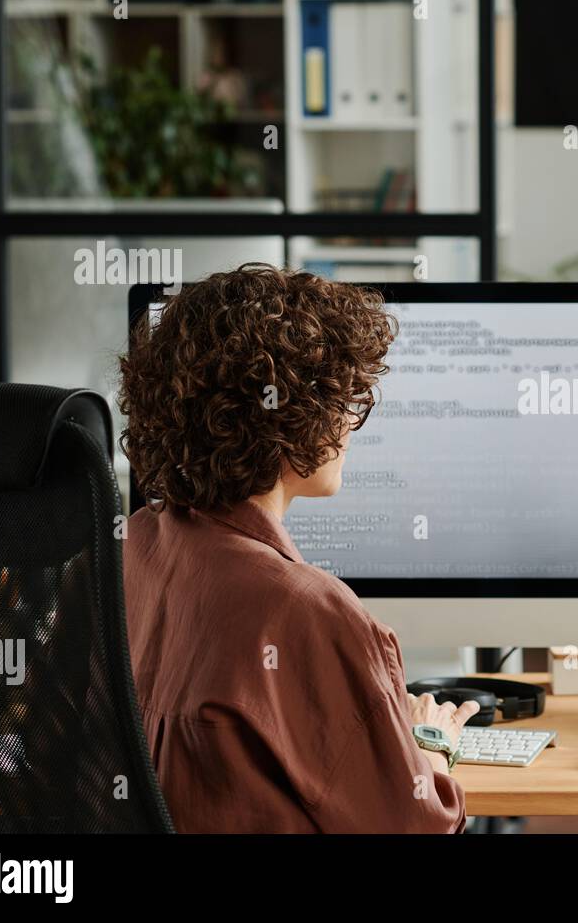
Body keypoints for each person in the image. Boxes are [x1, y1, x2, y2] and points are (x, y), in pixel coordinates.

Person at [117, 263, 476, 833]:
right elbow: (418, 829)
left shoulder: (132, 545)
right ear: (290, 421)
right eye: (340, 398)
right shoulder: (306, 611)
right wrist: (430, 745)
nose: (348, 425)